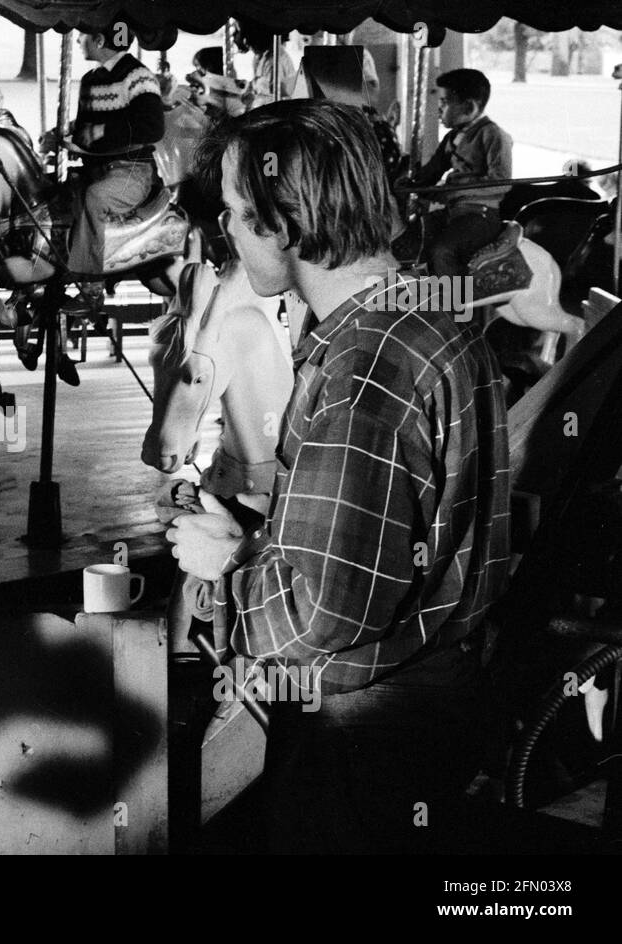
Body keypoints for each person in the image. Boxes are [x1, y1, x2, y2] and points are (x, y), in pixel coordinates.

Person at [167, 99, 510, 854]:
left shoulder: (364, 370)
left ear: (281, 227)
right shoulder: (430, 321)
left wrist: (227, 565)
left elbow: (324, 611)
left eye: (230, 213)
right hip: (435, 713)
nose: (223, 230)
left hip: (359, 735)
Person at [41, 23, 165, 314]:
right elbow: (84, 128)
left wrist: (99, 134)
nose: (80, 42)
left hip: (132, 170)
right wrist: (59, 136)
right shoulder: (91, 79)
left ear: (98, 40)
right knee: (53, 196)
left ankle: (92, 287)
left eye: (83, 37)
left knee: (96, 198)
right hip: (94, 167)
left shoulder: (138, 77)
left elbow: (152, 127)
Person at [399, 68, 512, 279]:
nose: (439, 108)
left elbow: (501, 181)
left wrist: (452, 192)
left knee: (443, 251)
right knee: (418, 241)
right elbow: (432, 171)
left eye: (445, 102)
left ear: (469, 106)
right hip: (455, 212)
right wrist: (411, 183)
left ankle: (454, 306)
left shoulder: (493, 135)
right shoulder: (452, 137)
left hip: (481, 214)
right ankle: (427, 294)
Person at [235, 18, 296, 109]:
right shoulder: (260, 57)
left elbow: (273, 99)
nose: (245, 42)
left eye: (248, 36)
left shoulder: (275, 60)